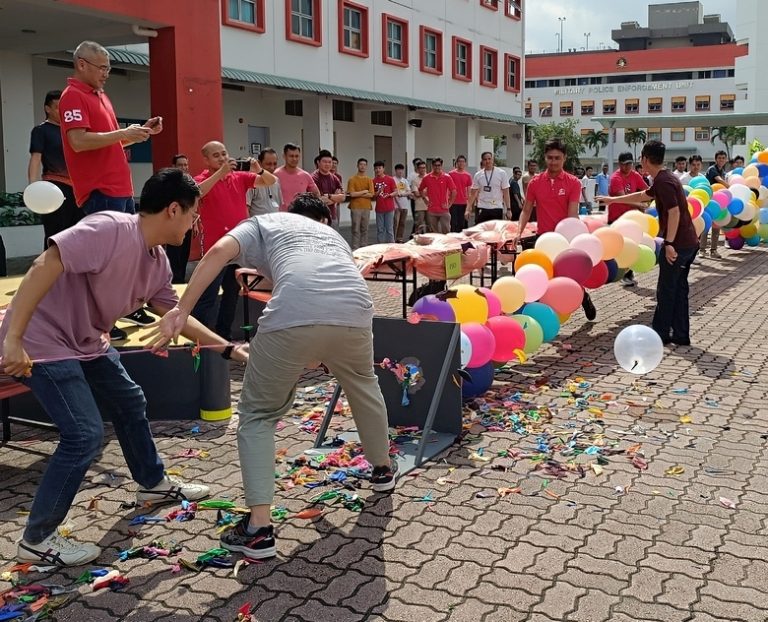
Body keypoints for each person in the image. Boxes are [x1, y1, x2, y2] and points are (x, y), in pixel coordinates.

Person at [0, 168, 245, 567]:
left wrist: (230, 350)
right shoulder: (109, 228)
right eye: (193, 214)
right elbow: (44, 266)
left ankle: (152, 483)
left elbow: (176, 315)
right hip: (40, 340)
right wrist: (12, 339)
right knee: (83, 435)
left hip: (86, 342)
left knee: (130, 401)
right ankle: (37, 539)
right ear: (173, 209)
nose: (194, 222)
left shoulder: (158, 262)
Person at [148, 193, 397, 560]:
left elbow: (217, 252)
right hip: (356, 312)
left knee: (258, 416)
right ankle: (382, 471)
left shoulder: (260, 224)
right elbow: (317, 282)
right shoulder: (332, 236)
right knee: (364, 385)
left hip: (295, 316)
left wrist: (181, 312)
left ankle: (258, 529)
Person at [59, 41, 163, 337]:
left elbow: (109, 141)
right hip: (100, 190)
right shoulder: (73, 96)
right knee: (107, 259)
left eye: (108, 67)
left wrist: (139, 132)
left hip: (119, 189)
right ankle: (102, 322)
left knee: (128, 254)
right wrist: (123, 133)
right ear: (82, 64)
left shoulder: (100, 96)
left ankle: (128, 307)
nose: (106, 73)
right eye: (102, 67)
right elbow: (78, 141)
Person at [598, 141, 699, 346]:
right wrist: (612, 200)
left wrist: (669, 243)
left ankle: (660, 334)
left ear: (644, 158)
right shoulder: (664, 178)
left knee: (667, 290)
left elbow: (674, 212)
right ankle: (680, 334)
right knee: (678, 289)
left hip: (678, 245)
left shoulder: (664, 181)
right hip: (688, 243)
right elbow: (644, 196)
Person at [192, 141, 276, 340]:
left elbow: (270, 181)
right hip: (215, 248)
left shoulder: (238, 177)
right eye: (216, 155)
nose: (222, 158)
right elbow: (196, 192)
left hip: (239, 246)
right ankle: (199, 339)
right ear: (206, 159)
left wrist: (259, 169)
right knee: (208, 296)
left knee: (232, 294)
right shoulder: (202, 178)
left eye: (224, 153)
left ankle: (223, 336)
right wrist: (219, 174)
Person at [516, 138, 596, 321]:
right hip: (543, 238)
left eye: (557, 158)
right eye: (550, 158)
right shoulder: (535, 183)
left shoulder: (573, 183)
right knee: (544, 277)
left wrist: (571, 238)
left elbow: (572, 214)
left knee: (568, 277)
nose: (553, 162)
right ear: (545, 158)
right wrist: (518, 232)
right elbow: (526, 210)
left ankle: (584, 298)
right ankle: (544, 315)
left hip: (563, 239)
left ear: (564, 158)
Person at [27, 90, 82, 248]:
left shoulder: (73, 132)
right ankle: (49, 271)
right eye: (58, 107)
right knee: (56, 235)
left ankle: (73, 271)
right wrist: (33, 186)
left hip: (78, 189)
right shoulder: (41, 130)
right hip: (54, 187)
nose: (62, 112)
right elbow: (36, 158)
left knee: (78, 233)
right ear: (47, 109)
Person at [608, 152, 649, 287]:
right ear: (619, 164)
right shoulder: (616, 178)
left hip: (631, 218)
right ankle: (622, 274)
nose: (628, 167)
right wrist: (640, 205)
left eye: (630, 164)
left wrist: (653, 198)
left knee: (632, 245)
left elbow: (646, 190)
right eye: (625, 164)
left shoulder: (635, 175)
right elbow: (622, 198)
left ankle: (627, 273)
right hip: (617, 218)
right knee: (621, 247)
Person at [165, 154, 194, 283]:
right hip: (173, 224)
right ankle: (175, 281)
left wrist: (195, 223)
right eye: (180, 165)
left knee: (184, 254)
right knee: (174, 255)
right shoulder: (168, 182)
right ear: (174, 166)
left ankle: (181, 279)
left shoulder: (190, 181)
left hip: (187, 223)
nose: (183, 167)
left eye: (185, 164)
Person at [467, 151, 511, 224]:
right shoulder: (478, 175)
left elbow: (506, 192)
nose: (487, 161)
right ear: (482, 161)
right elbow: (473, 194)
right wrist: (468, 209)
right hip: (482, 207)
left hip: (496, 208)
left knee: (495, 233)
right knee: (481, 232)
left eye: (489, 159)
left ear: (493, 160)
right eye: (485, 159)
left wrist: (509, 209)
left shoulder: (501, 173)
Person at [274, 143, 320, 211]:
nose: (294, 159)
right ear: (284, 156)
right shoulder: (276, 175)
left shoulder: (305, 175)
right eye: (291, 156)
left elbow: (317, 194)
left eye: (297, 156)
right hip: (282, 216)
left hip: (301, 216)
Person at [703, 150, 729, 259]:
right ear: (715, 159)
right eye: (719, 158)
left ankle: (713, 250)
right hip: (709, 201)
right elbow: (719, 181)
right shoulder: (712, 169)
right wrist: (731, 187)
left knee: (717, 226)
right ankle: (702, 250)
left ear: (726, 159)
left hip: (719, 202)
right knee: (706, 225)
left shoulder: (723, 171)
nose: (721, 160)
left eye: (723, 158)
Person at [419, 158, 456, 234]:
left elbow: (454, 191)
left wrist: (450, 204)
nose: (437, 167)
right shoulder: (427, 178)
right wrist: (425, 200)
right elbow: (420, 189)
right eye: (435, 165)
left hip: (444, 210)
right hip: (432, 210)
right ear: (432, 166)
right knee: (434, 233)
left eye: (439, 165)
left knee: (446, 232)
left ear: (441, 166)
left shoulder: (447, 177)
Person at [311, 149, 345, 230]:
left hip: (332, 216)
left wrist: (329, 196)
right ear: (318, 162)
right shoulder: (313, 178)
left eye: (329, 162)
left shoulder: (334, 178)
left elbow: (343, 197)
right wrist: (336, 198)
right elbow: (320, 199)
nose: (327, 164)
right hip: (319, 217)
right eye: (324, 162)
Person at [346, 158, 374, 249]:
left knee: (365, 229)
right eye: (361, 164)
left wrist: (359, 193)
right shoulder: (352, 179)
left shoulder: (369, 180)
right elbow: (352, 194)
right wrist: (364, 191)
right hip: (355, 207)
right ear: (357, 166)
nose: (362, 166)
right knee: (355, 228)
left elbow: (371, 194)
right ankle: (355, 248)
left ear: (366, 166)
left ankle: (364, 247)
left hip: (366, 206)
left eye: (364, 165)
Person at [247, 148, 283, 217]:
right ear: (259, 163)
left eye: (275, 164)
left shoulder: (276, 180)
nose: (272, 167)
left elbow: (279, 205)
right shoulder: (252, 180)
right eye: (268, 164)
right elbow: (246, 208)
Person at [372, 161, 397, 243]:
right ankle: (380, 247)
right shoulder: (373, 181)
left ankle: (392, 247)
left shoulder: (390, 179)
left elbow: (396, 191)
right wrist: (378, 192)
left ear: (383, 169)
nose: (378, 170)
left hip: (389, 208)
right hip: (379, 209)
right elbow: (373, 195)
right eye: (376, 168)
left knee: (389, 229)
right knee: (380, 229)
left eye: (379, 168)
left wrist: (390, 195)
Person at [448, 155, 472, 232]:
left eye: (463, 162)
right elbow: (447, 188)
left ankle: (463, 241)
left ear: (465, 163)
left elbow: (469, 191)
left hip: (464, 203)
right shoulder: (451, 174)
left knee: (463, 224)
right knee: (453, 223)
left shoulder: (468, 176)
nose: (461, 163)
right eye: (459, 161)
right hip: (453, 203)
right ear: (456, 163)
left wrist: (469, 205)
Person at [392, 163, 411, 243]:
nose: (400, 172)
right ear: (395, 171)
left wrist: (403, 194)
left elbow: (409, 191)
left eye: (401, 170)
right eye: (398, 170)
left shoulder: (404, 181)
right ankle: (393, 238)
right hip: (396, 205)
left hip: (404, 205)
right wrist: (398, 204)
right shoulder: (393, 180)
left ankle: (399, 238)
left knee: (402, 223)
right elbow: (394, 193)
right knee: (395, 223)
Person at [410, 161, 428, 234]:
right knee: (418, 226)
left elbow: (434, 191)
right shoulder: (415, 180)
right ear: (417, 169)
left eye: (424, 167)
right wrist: (426, 192)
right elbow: (416, 194)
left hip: (430, 206)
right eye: (420, 168)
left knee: (430, 226)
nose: (422, 169)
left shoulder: (430, 178)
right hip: (419, 206)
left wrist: (421, 192)